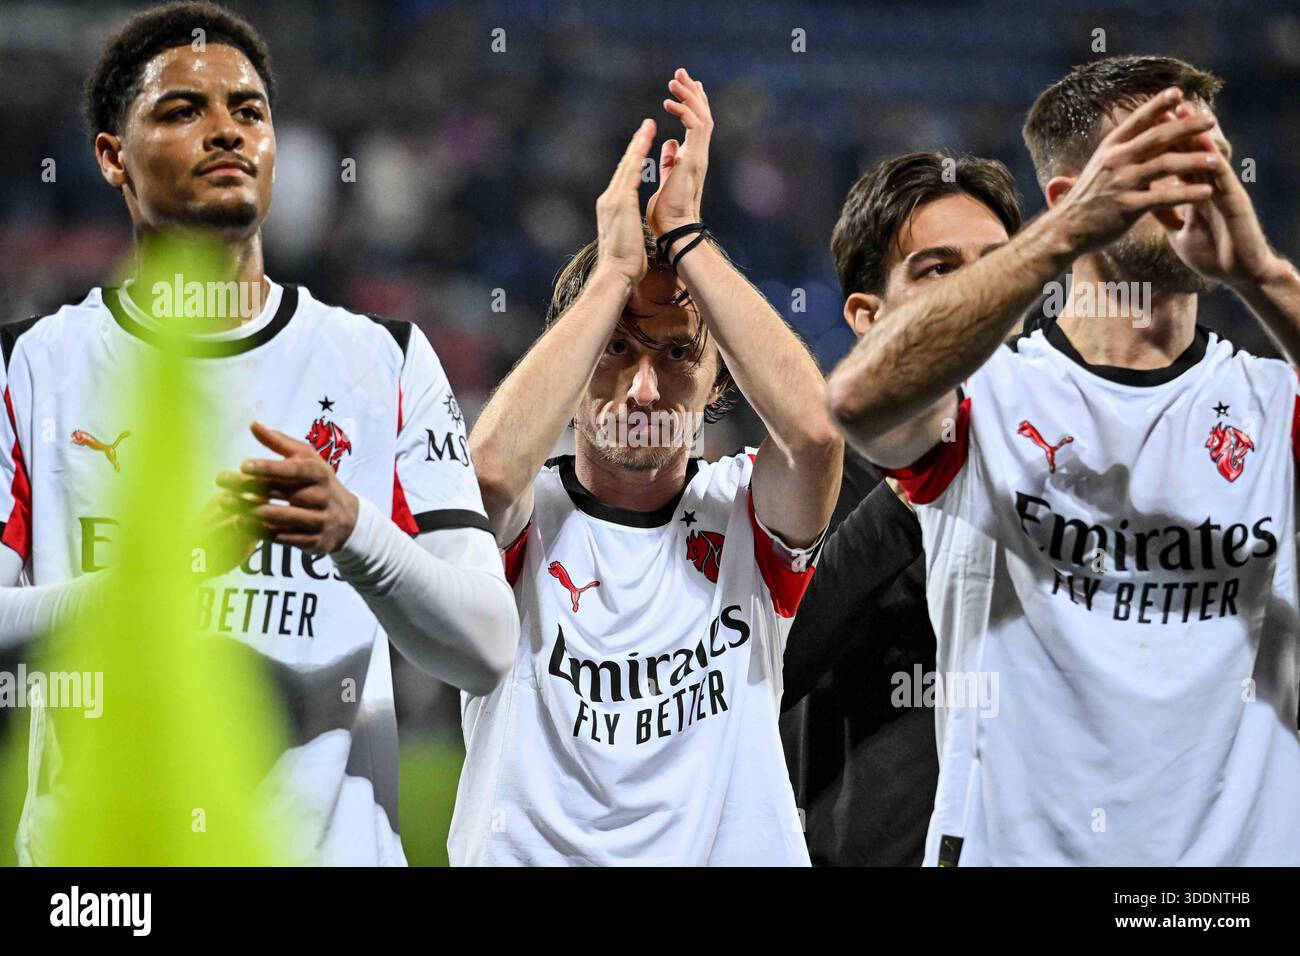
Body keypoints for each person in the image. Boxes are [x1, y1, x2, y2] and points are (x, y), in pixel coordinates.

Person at [1, 0, 517, 866]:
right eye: (181, 110)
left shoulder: (382, 360)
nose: (226, 132)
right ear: (111, 157)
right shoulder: (30, 368)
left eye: (248, 110)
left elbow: (488, 647)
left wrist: (354, 533)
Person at [827, 55, 1300, 865]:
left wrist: (1262, 275)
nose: (1192, 187)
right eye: (1157, 163)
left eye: (1208, 162)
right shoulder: (985, 396)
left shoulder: (1273, 399)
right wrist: (1061, 239)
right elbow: (854, 401)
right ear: (1072, 196)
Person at [449, 69, 843, 865]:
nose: (642, 387)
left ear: (718, 379)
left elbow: (815, 435)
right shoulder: (526, 519)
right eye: (615, 348)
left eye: (676, 355)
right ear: (576, 354)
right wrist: (612, 280)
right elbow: (484, 479)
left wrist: (688, 238)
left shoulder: (744, 515)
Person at [782, 151, 1022, 866]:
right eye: (939, 269)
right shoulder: (808, 481)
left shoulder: (1074, 475)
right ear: (867, 315)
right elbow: (764, 664)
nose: (978, 290)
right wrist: (915, 483)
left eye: (1001, 264)